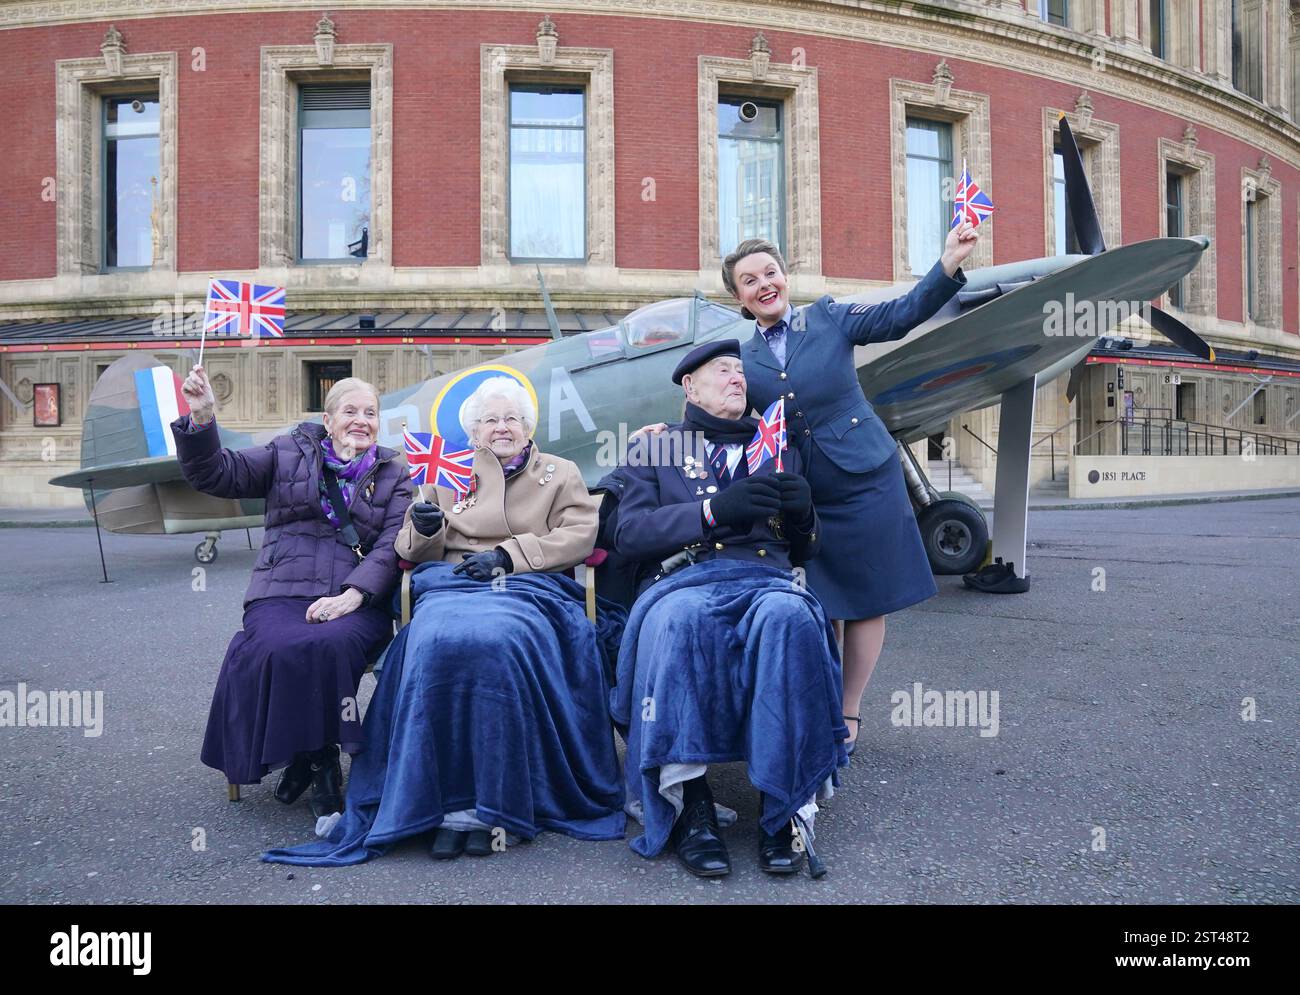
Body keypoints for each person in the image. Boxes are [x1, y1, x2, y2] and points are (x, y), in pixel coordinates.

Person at [263, 376, 625, 866]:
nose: (502, 428)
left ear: (528, 426)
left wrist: (509, 556)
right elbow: (411, 550)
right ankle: (436, 798)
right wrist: (424, 528)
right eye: (490, 420)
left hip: (527, 589)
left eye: (511, 418)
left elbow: (581, 536)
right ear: (473, 433)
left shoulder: (559, 473)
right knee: (432, 640)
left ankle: (496, 799)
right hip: (452, 587)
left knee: (497, 643)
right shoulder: (449, 472)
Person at [723, 226, 978, 753]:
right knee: (823, 601)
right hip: (807, 496)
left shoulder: (830, 317)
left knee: (866, 597)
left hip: (866, 478)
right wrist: (665, 431)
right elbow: (723, 415)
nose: (763, 284)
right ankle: (820, 700)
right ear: (740, 299)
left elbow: (901, 314)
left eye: (770, 272)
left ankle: (849, 710)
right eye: (749, 281)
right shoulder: (742, 361)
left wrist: (949, 262)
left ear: (785, 277)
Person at [608, 340, 848, 878]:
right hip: (686, 580)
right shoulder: (658, 447)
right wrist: (712, 510)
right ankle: (692, 806)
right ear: (690, 387)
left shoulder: (777, 446)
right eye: (722, 371)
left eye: (741, 371)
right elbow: (628, 534)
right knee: (682, 623)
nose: (737, 378)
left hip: (766, 580)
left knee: (790, 621)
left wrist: (805, 516)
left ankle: (781, 809)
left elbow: (802, 549)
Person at [173, 367, 411, 818]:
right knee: (280, 645)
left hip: (355, 594)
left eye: (370, 412)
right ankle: (319, 758)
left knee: (332, 643)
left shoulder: (395, 472)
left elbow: (391, 544)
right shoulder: (285, 453)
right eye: (349, 411)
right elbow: (215, 474)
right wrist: (202, 419)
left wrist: (356, 594)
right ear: (328, 419)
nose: (360, 420)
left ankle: (309, 758)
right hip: (281, 589)